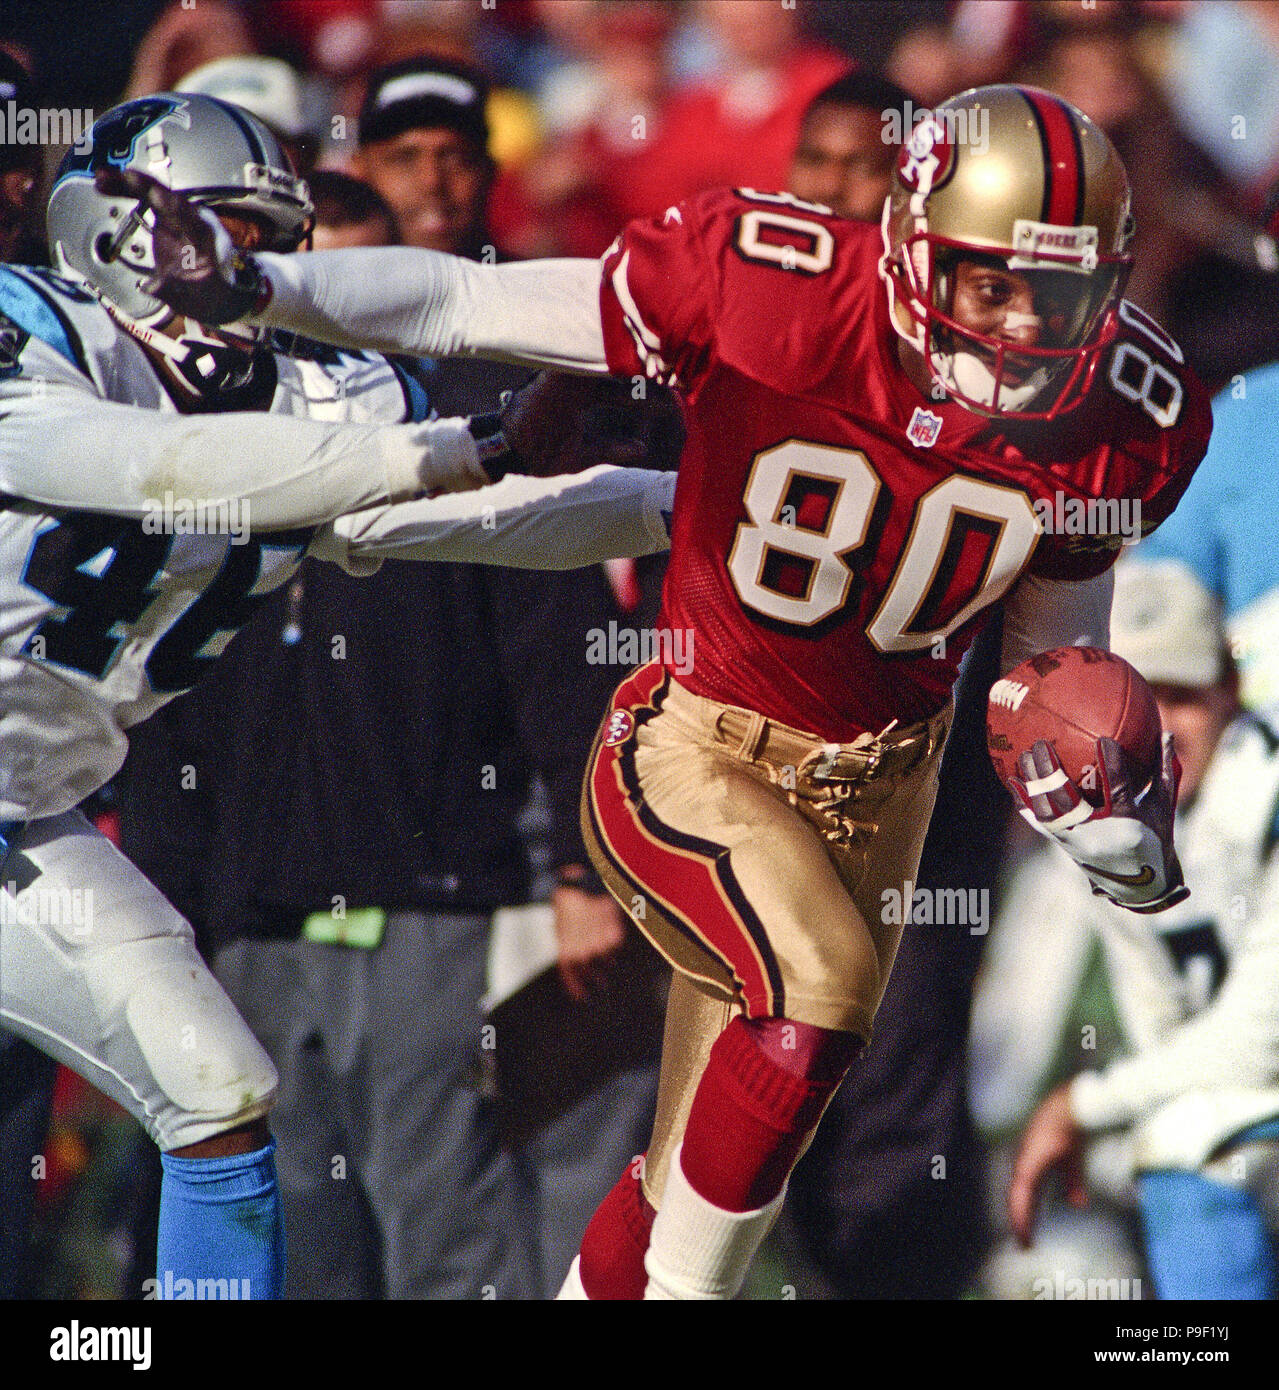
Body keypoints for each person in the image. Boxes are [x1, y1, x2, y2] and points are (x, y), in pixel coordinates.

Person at [127, 82, 1211, 1301]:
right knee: (816, 994)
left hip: (886, 787)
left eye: (1057, 297)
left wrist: (1086, 780)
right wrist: (263, 289)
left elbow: (1045, 656)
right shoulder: (770, 281)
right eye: (990, 286)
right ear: (912, 244)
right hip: (701, 740)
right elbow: (467, 296)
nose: (1021, 332)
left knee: (690, 1169)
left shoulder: (1126, 415)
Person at [0, 91, 676, 1300]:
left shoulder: (315, 396)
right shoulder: (34, 334)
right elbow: (165, 471)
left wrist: (687, 504)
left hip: (28, 823)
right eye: (226, 236)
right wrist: (477, 440)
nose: (258, 275)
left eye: (271, 242)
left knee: (217, 1099)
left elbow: (486, 520)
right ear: (115, 234)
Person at [1006, 558, 1279, 1299]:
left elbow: (1259, 1039)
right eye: (1135, 703)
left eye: (1182, 696)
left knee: (1179, 1140)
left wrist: (1079, 1104)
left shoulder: (1265, 801)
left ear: (1231, 692)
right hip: (1251, 1106)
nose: (1159, 728)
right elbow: (1162, 1029)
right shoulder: (1109, 830)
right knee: (1170, 1142)